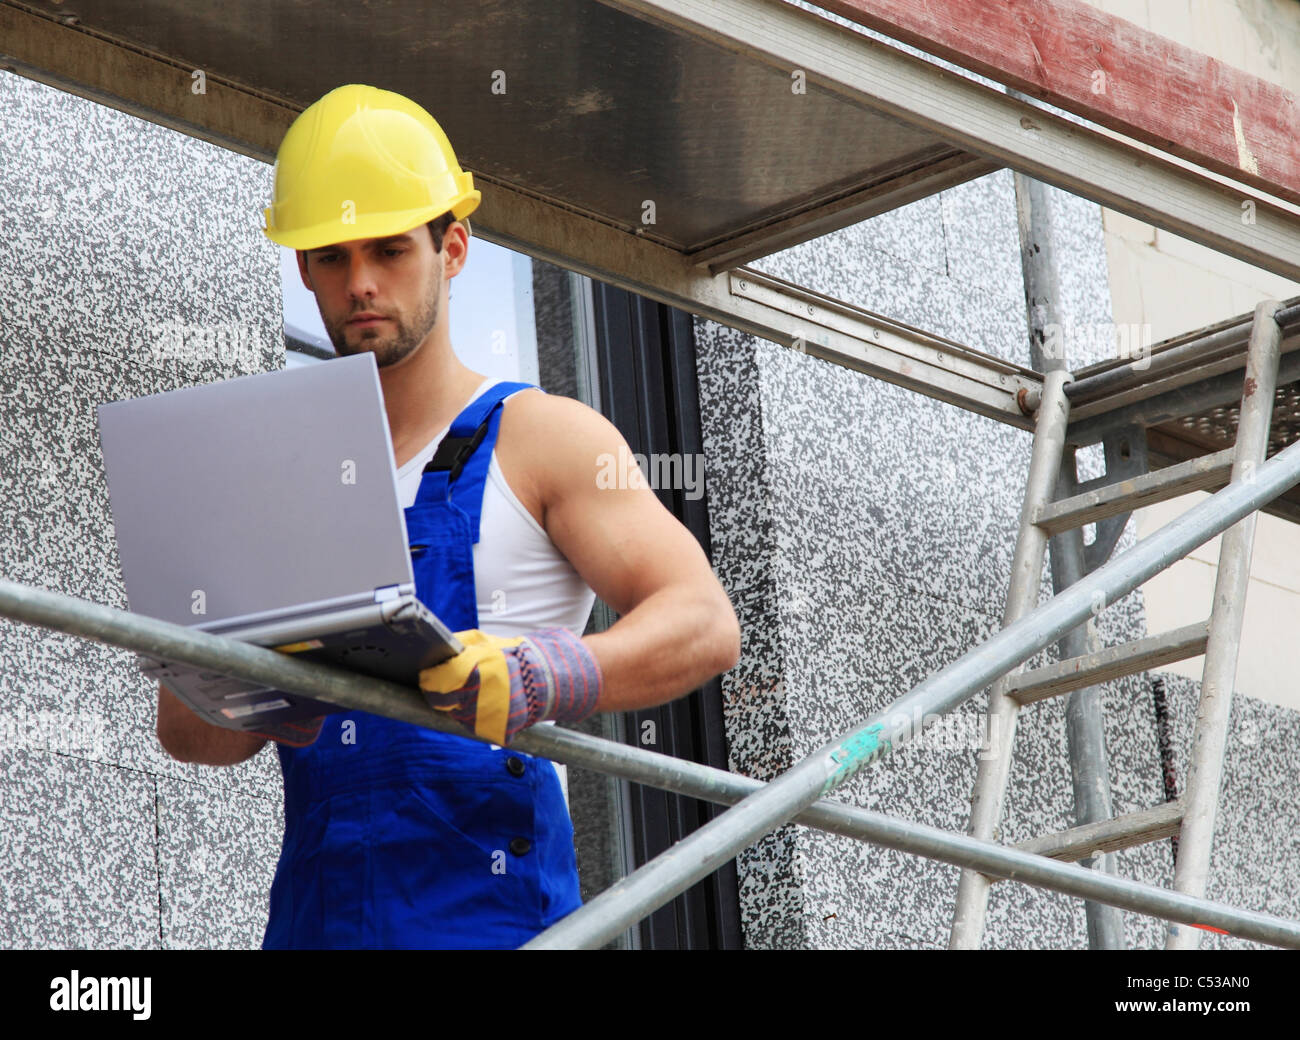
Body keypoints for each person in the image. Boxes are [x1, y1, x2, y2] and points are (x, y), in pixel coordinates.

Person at [154, 83, 741, 949]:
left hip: (495, 924)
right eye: (328, 258)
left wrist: (544, 675)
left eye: (390, 250)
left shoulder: (543, 438)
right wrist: (264, 689)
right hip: (319, 924)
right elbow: (188, 736)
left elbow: (703, 623)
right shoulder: (281, 475)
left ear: (454, 248)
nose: (359, 285)